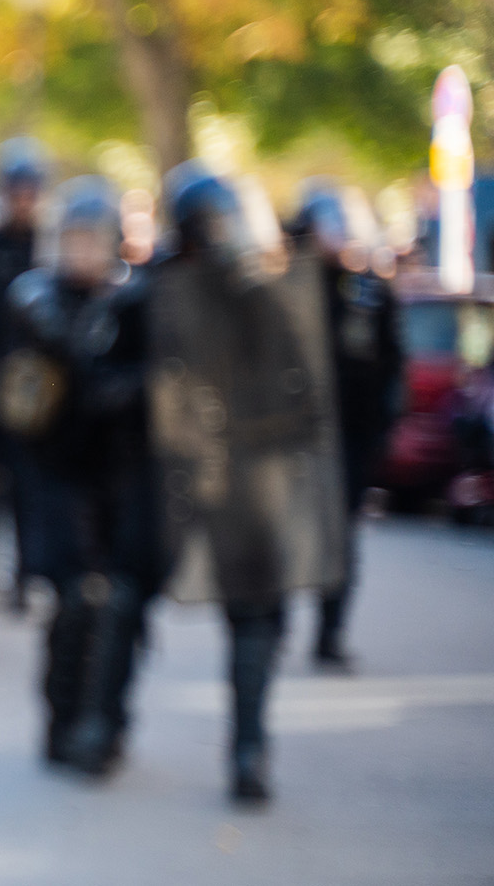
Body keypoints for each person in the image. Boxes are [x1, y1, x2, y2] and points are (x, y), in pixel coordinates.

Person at [149, 165, 344, 804]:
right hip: (157, 482)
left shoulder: (261, 297)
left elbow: (303, 389)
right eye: (215, 226)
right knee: (113, 593)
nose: (227, 238)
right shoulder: (148, 295)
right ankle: (95, 724)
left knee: (258, 611)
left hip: (241, 481)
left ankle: (249, 748)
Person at [0, 176, 165, 773]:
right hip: (58, 474)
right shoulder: (37, 299)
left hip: (123, 479)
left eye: (93, 240)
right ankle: (63, 719)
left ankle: (107, 724)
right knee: (74, 601)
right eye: (72, 239)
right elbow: (30, 386)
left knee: (120, 605)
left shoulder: (136, 301)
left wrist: (130, 388)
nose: (82, 251)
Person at [288, 181, 403, 668]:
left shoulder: (370, 292)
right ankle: (265, 628)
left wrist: (382, 425)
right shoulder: (288, 287)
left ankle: (329, 632)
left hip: (352, 435)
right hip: (294, 435)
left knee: (340, 537)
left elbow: (392, 360)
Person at [0, 138, 49, 611]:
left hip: (33, 387)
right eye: (14, 190)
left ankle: (24, 573)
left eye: (29, 190)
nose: (22, 200)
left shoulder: (50, 246)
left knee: (27, 485)